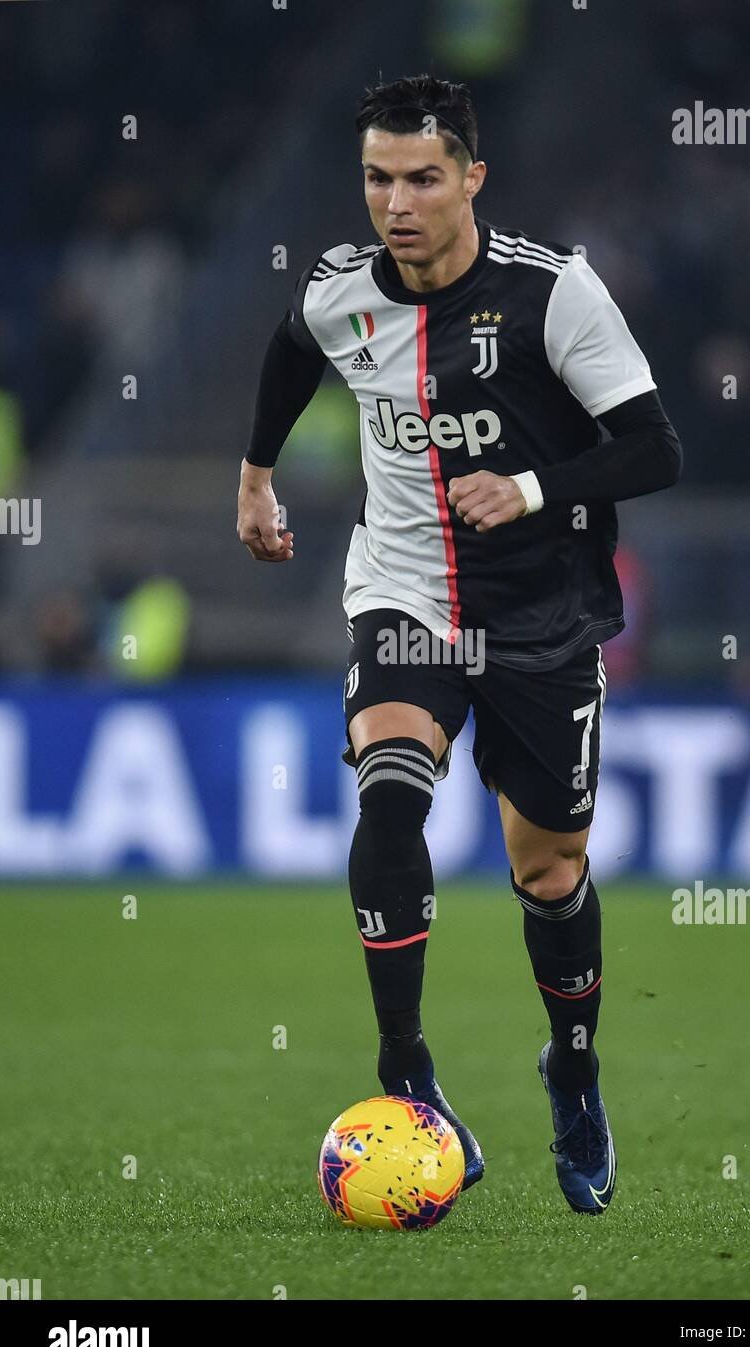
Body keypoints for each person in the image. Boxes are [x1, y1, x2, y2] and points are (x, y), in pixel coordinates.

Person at [238, 74, 682, 1214]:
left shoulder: (553, 292)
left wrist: (531, 486)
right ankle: (406, 1069)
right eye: (379, 178)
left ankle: (572, 1069)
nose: (398, 201)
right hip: (404, 595)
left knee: (548, 870)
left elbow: (651, 448)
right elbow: (291, 351)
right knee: (388, 795)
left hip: (540, 618)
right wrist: (254, 479)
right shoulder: (342, 293)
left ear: (470, 177)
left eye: (423, 177)